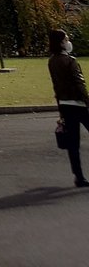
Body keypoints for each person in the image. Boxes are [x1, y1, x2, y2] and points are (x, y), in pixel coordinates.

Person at [48, 28, 89, 188]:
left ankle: (79, 177)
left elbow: (56, 86)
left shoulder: (52, 62)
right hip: (78, 104)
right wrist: (86, 99)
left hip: (65, 104)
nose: (68, 41)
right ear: (61, 42)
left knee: (73, 144)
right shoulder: (70, 61)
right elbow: (79, 83)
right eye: (66, 39)